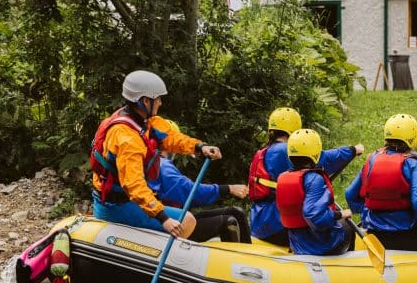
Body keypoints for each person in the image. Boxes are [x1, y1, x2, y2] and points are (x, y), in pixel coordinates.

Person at [89, 70, 222, 237]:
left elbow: (170, 137)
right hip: (116, 207)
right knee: (187, 221)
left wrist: (199, 147)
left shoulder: (141, 120)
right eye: (157, 98)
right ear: (145, 101)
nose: (160, 102)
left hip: (124, 200)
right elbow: (133, 184)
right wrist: (163, 217)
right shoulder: (126, 138)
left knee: (178, 216)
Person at [248, 107, 362, 247]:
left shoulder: (264, 151)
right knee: (345, 227)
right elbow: (322, 159)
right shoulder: (286, 150)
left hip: (259, 222)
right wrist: (352, 150)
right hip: (277, 226)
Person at [345, 113, 417, 251]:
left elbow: (350, 194)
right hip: (409, 237)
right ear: (413, 139)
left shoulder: (372, 159)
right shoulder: (412, 164)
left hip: (376, 237)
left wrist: (367, 213)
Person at [276, 129, 355, 256]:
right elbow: (315, 217)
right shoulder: (314, 179)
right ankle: (347, 265)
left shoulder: (282, 177)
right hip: (322, 245)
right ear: (316, 153)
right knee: (347, 227)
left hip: (297, 244)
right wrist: (340, 214)